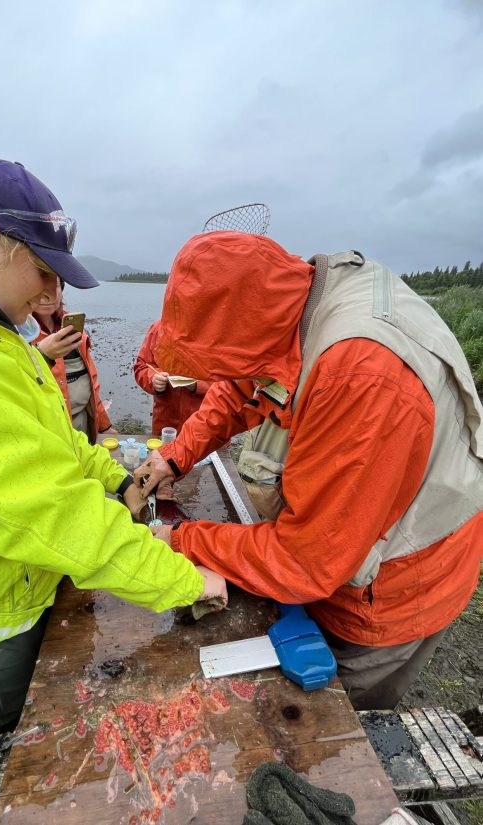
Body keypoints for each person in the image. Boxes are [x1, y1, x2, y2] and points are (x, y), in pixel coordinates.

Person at [0, 159, 227, 732]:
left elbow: (55, 445)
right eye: (43, 272)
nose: (52, 293)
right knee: (9, 747)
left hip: (12, 587)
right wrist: (183, 578)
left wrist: (119, 480)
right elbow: (50, 511)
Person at [134, 231, 482, 711]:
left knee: (332, 724)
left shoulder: (359, 372)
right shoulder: (288, 306)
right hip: (342, 544)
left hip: (394, 586)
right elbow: (239, 388)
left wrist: (178, 538)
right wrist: (175, 455)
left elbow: (307, 562)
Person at [31, 278, 115, 444]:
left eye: (54, 286)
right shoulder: (16, 334)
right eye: (38, 285)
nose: (47, 294)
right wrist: (41, 354)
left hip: (82, 427)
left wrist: (104, 426)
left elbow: (91, 384)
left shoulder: (78, 333)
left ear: (61, 291)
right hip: (48, 435)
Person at [134, 320, 211, 437]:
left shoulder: (217, 332)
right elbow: (142, 365)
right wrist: (153, 378)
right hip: (166, 425)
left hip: (207, 426)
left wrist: (197, 385)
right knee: (164, 452)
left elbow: (232, 380)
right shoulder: (159, 328)